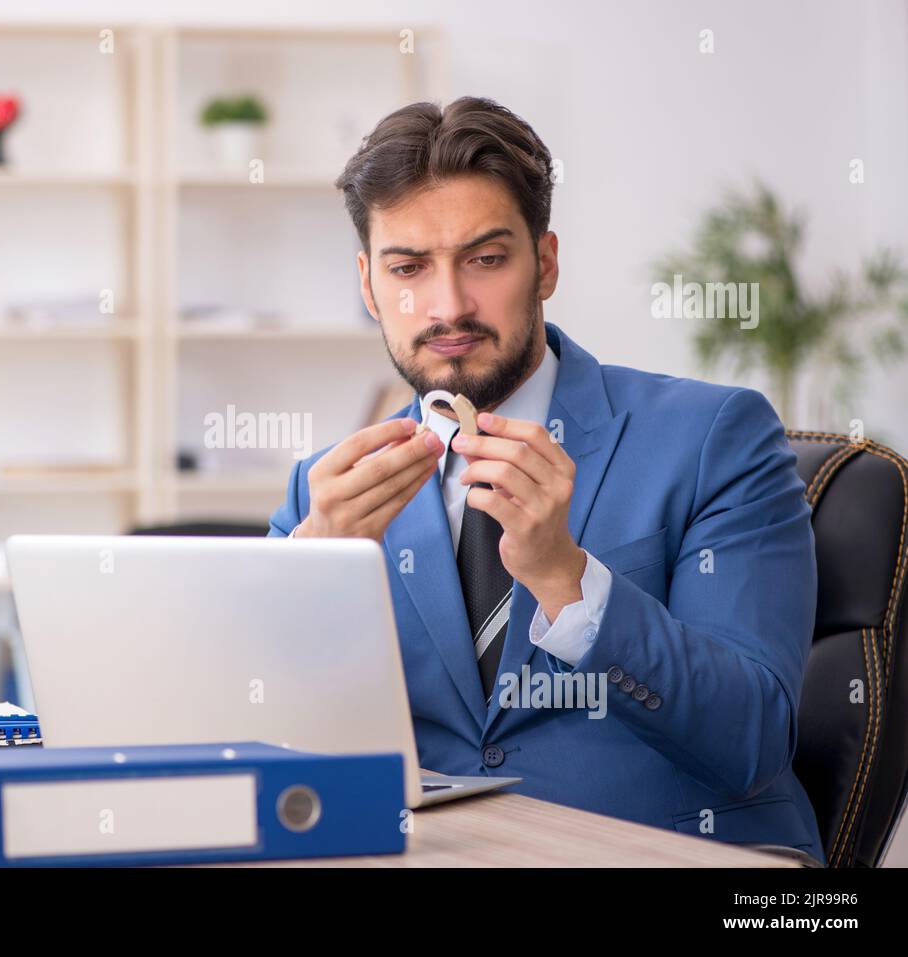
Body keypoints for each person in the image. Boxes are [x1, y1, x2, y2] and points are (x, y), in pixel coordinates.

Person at [268, 96, 824, 863]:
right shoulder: (323, 494)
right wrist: (309, 582)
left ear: (546, 263)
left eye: (486, 259)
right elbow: (251, 742)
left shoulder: (715, 437)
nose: (449, 305)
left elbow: (754, 737)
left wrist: (570, 581)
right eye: (409, 268)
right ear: (369, 286)